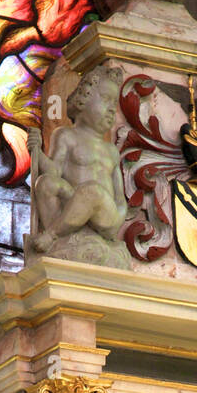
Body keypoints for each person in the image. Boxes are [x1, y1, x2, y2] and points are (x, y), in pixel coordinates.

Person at [31, 62, 128, 255]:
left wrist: (118, 218)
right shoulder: (66, 136)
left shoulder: (111, 151)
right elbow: (54, 172)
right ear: (84, 100)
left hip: (105, 214)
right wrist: (36, 151)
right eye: (106, 99)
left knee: (92, 191)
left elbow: (119, 195)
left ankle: (52, 235)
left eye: (114, 103)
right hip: (74, 203)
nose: (111, 109)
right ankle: (62, 240)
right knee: (46, 183)